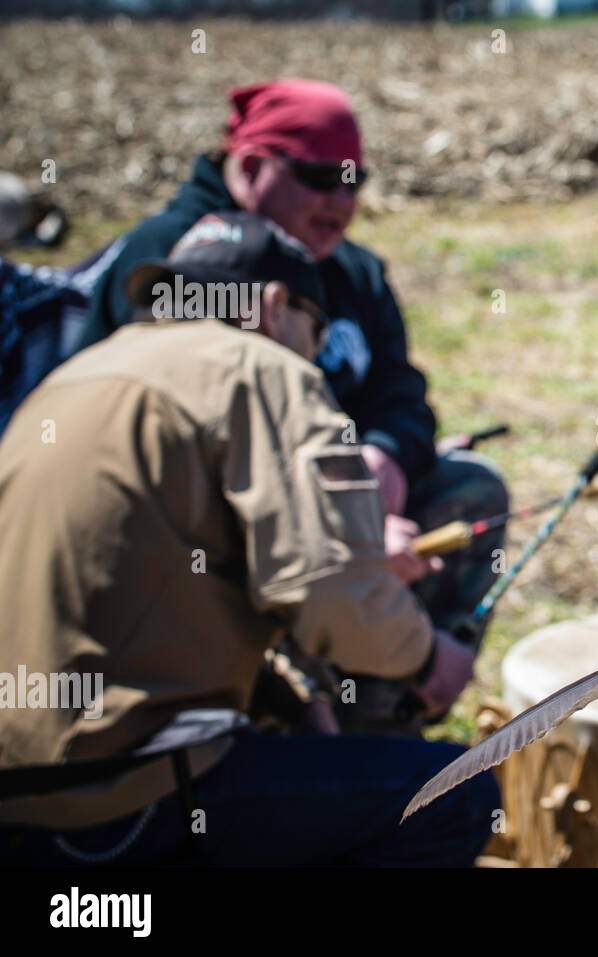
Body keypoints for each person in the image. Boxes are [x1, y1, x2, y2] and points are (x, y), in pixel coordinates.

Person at [0, 212, 497, 866]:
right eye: (318, 330)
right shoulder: (260, 368)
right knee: (459, 794)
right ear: (271, 305)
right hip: (116, 801)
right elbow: (327, 588)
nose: (317, 352)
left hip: (22, 790)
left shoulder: (78, 375)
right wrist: (428, 659)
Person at [76, 79, 508, 728]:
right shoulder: (177, 262)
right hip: (216, 538)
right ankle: (289, 736)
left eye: (354, 180)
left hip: (342, 515)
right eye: (318, 177)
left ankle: (385, 725)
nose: (341, 200)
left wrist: (384, 459)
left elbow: (403, 396)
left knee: (473, 488)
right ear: (251, 167)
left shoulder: (354, 272)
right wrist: (344, 521)